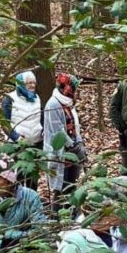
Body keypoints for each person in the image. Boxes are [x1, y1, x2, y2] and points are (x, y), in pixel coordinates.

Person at [44, 73, 86, 215]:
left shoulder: (68, 102)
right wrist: (72, 147)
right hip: (59, 153)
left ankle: (71, 216)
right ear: (67, 88)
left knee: (71, 185)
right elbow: (57, 131)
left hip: (73, 151)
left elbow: (75, 125)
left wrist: (79, 143)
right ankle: (56, 218)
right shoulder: (53, 103)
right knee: (59, 189)